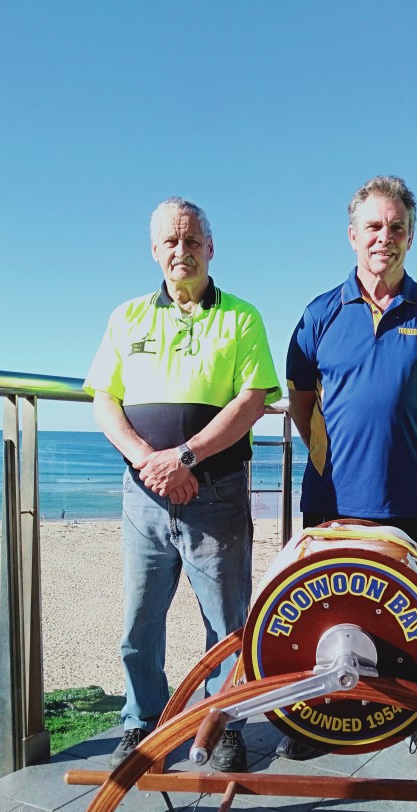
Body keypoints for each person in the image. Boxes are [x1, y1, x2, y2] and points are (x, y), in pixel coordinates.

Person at [84, 197, 281, 772]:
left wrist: (185, 458)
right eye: (170, 241)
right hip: (143, 497)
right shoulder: (126, 317)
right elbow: (105, 399)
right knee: (140, 622)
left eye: (192, 240)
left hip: (215, 493)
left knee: (226, 623)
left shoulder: (242, 317)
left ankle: (225, 723)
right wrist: (151, 460)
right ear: (154, 250)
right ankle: (141, 720)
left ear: (210, 248)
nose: (181, 251)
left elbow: (253, 400)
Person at [284, 175, 417, 774]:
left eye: (396, 226)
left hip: (408, 498)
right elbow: (301, 402)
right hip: (331, 497)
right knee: (325, 615)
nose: (383, 236)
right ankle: (317, 717)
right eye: (373, 226)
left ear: (411, 236)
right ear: (352, 235)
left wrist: (407, 450)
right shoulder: (318, 314)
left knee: (413, 621)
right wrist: (331, 453)